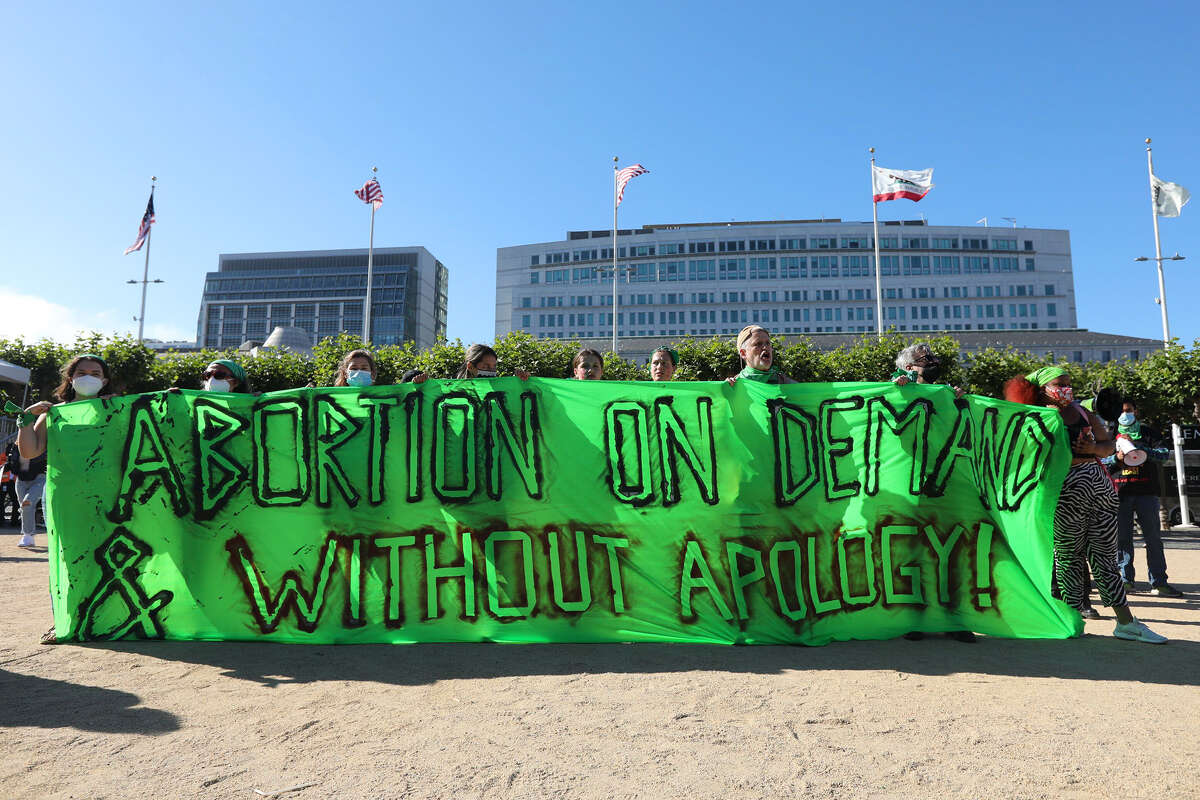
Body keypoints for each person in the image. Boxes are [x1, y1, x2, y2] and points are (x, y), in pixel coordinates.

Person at [1004, 366, 1165, 643]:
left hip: (1098, 489)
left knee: (1105, 557)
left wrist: (1092, 450)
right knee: (1068, 558)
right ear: (1041, 389)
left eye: (1068, 383)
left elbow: (1107, 445)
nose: (1066, 388)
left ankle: (1125, 622)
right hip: (1064, 493)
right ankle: (1070, 618)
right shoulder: (1032, 417)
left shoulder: (1081, 411)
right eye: (1059, 383)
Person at [1105, 400, 1183, 597]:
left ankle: (1158, 582)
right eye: (1121, 411)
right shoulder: (1109, 436)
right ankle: (1125, 580)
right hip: (1120, 495)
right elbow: (1102, 463)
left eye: (1129, 410)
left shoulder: (1149, 433)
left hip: (1147, 493)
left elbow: (1164, 455)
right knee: (1122, 539)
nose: (1125, 414)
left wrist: (1142, 452)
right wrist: (1117, 458)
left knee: (1153, 539)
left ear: (1136, 411)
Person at [726, 325, 797, 385]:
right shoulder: (734, 385)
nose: (765, 347)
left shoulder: (786, 384)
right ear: (744, 353)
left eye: (768, 343)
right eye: (758, 344)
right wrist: (722, 392)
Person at [890, 342, 964, 398]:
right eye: (926, 359)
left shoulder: (943, 393)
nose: (933, 362)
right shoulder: (899, 391)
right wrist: (894, 387)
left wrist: (957, 397)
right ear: (909, 368)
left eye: (933, 358)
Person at [8, 440, 47, 547]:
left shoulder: (40, 445)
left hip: (39, 479)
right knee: (25, 508)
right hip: (21, 481)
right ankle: (28, 536)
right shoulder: (16, 446)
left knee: (27, 503)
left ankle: (28, 535)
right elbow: (12, 460)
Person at [455, 344, 530, 380]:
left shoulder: (498, 391)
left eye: (494, 366)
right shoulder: (453, 393)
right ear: (470, 367)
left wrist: (519, 382)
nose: (491, 371)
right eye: (485, 366)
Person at [1, 444, 20, 527]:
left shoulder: (18, 457)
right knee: (1, 502)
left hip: (13, 482)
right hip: (3, 482)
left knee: (16, 502)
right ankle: (1, 521)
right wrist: (5, 465)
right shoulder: (2, 457)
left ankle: (14, 521)